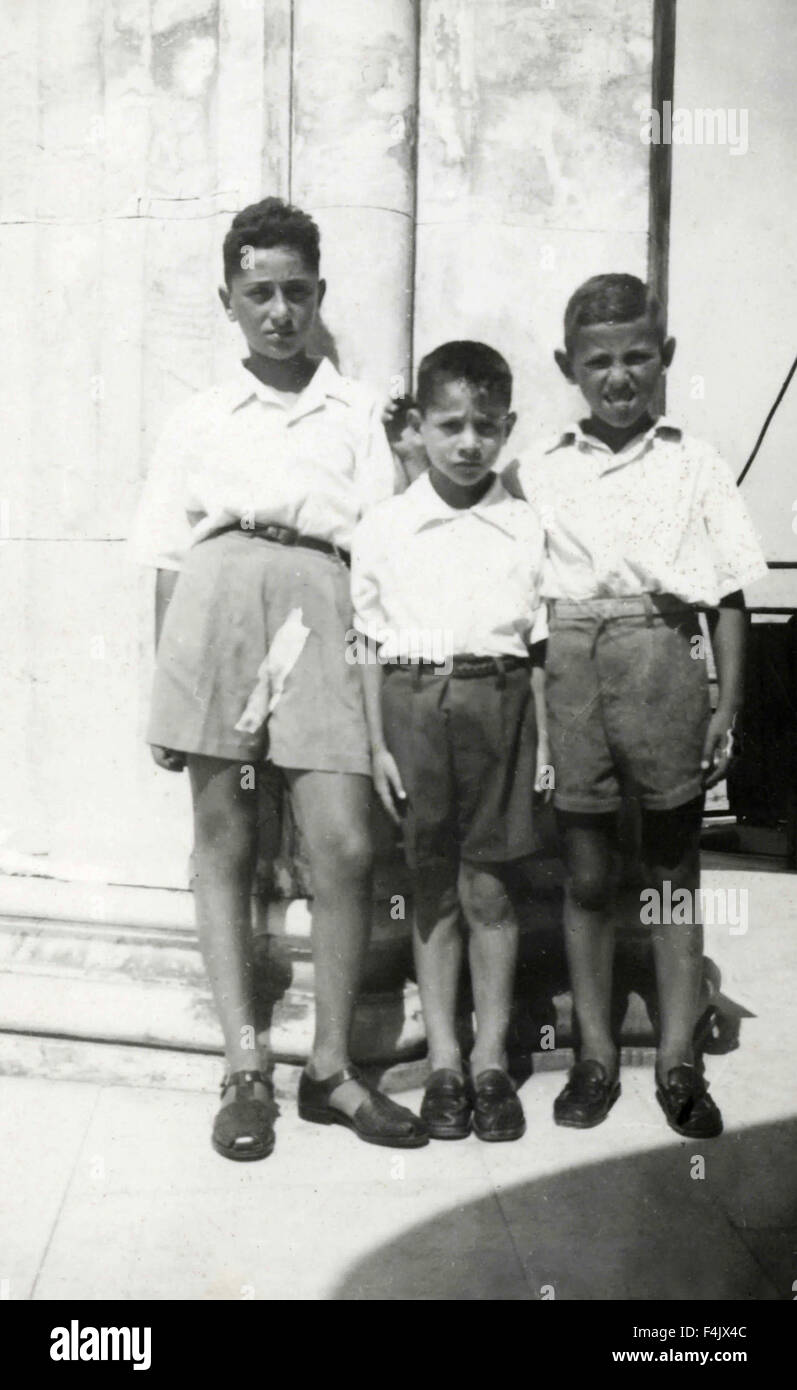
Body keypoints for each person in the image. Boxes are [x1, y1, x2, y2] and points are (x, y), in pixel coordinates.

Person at [130, 197, 427, 1159]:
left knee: (342, 842)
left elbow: (383, 553)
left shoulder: (357, 412)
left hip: (324, 603)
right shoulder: (199, 416)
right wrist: (170, 683)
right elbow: (170, 556)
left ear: (320, 294)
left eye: (297, 291)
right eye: (259, 292)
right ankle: (246, 1065)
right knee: (223, 839)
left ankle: (332, 1069)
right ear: (229, 300)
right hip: (217, 605)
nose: (279, 311)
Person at [512, 273, 767, 1137]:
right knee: (585, 875)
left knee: (670, 875)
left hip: (662, 660)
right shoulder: (536, 469)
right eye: (597, 362)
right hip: (572, 661)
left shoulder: (694, 461)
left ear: (664, 356)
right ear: (567, 366)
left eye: (635, 358)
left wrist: (724, 705)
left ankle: (678, 1060)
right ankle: (590, 1057)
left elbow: (727, 594)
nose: (618, 377)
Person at [351, 341, 549, 1141]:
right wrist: (376, 744)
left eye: (484, 426)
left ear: (506, 426)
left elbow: (538, 646)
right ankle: (442, 1060)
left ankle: (492, 1059)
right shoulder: (388, 525)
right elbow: (366, 641)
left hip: (500, 705)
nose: (468, 443)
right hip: (412, 702)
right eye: (449, 425)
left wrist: (546, 747)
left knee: (492, 891)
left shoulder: (525, 523)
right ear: (420, 429)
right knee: (433, 888)